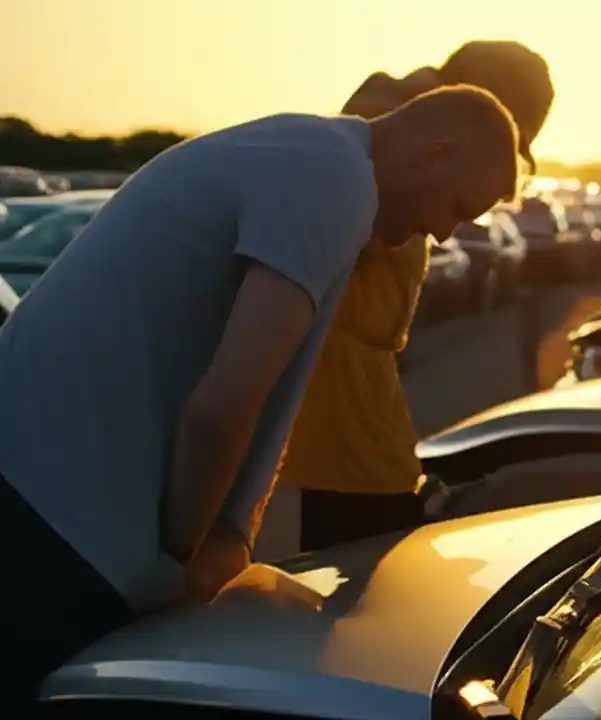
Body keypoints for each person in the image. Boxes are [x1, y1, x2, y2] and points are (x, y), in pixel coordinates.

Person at [0, 84, 519, 706]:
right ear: (435, 152)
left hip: (43, 488)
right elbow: (224, 407)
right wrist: (179, 564)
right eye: (458, 206)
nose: (440, 231)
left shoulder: (311, 156)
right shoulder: (333, 179)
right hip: (52, 519)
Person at [258, 41, 554, 555]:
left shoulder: (405, 136)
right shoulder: (383, 139)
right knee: (355, 590)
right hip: (345, 422)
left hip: (365, 411)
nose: (444, 232)